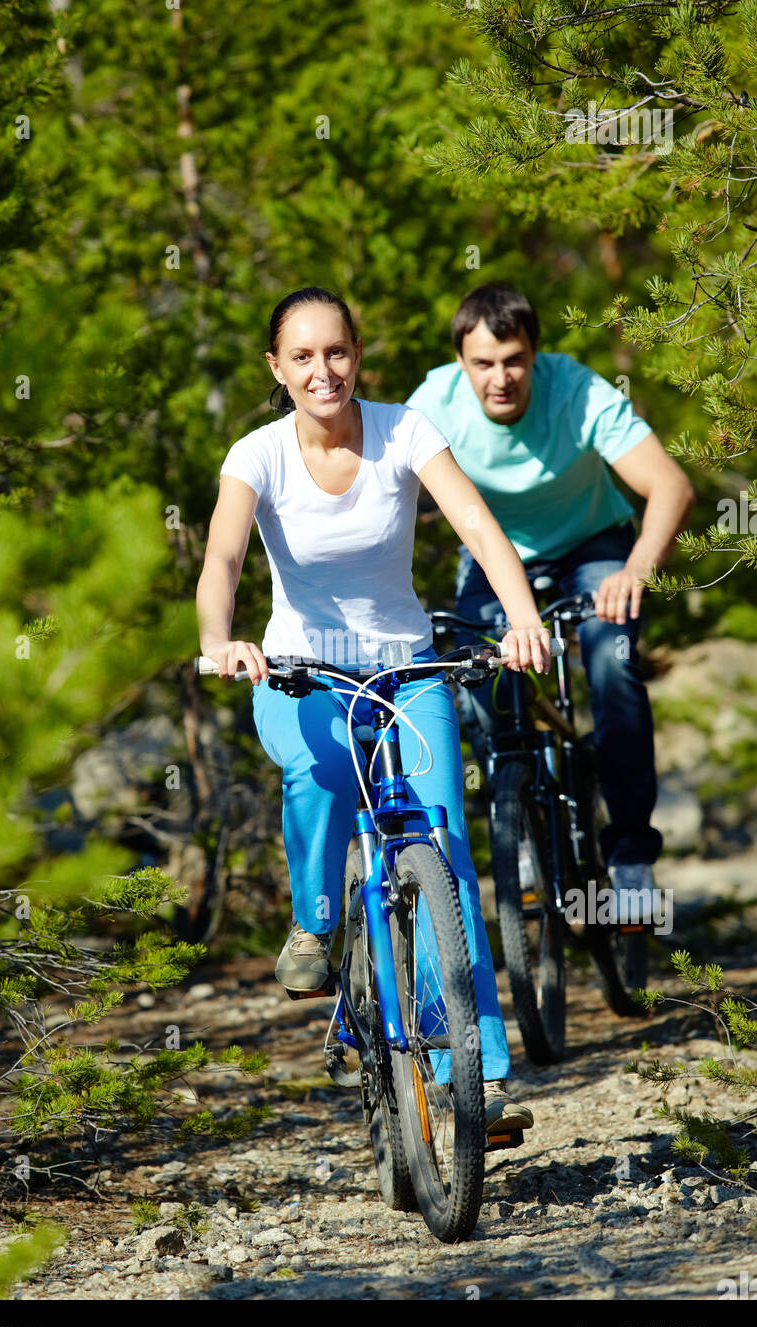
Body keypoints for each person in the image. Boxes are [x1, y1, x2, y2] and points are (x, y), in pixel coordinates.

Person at [196, 286, 553, 1135]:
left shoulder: (405, 430)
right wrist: (222, 640)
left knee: (445, 848)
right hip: (298, 672)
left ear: (359, 355)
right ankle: (316, 923)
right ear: (277, 369)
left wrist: (523, 617)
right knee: (317, 774)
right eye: (304, 356)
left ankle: (477, 1076)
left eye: (338, 352)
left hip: (407, 669)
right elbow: (223, 554)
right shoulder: (257, 455)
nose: (325, 371)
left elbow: (474, 521)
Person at [406, 283, 696, 913]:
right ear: (461, 362)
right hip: (493, 555)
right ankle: (521, 825)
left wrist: (636, 571)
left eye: (514, 360)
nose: (500, 378)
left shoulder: (579, 390)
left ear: (535, 354)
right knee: (478, 673)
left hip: (595, 546)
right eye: (483, 363)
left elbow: (670, 487)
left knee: (613, 662)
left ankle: (630, 859)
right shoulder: (432, 403)